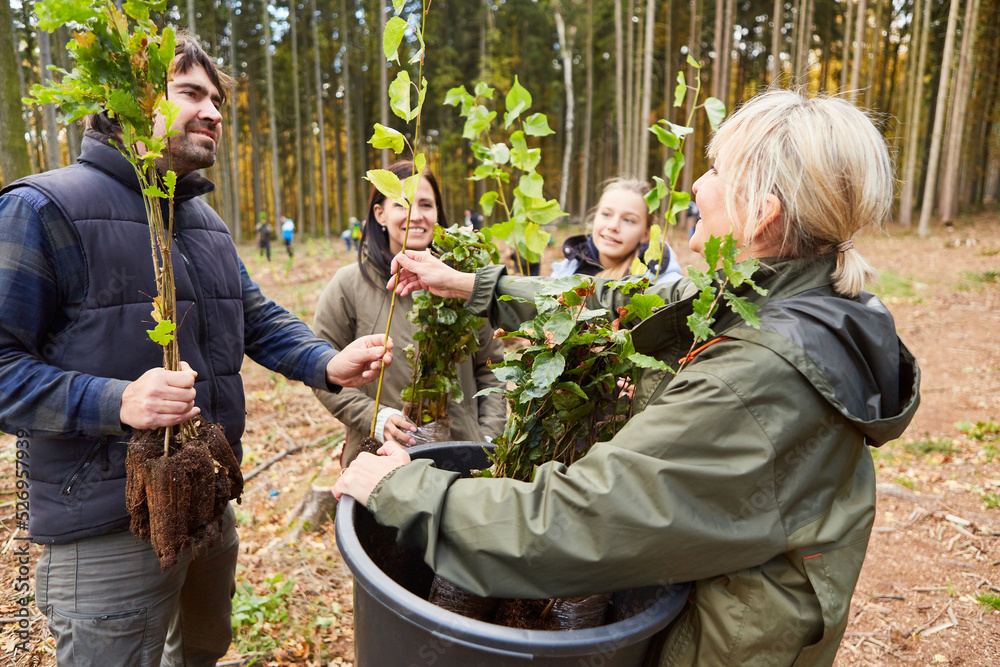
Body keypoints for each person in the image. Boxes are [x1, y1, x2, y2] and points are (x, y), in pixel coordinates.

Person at [334, 91, 921, 665]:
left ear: (762, 211)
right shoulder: (769, 294)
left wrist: (400, 491)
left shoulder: (755, 377)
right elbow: (618, 304)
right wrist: (473, 287)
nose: (697, 185)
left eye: (716, 170)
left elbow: (581, 519)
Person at [0, 33, 393, 667]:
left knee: (203, 648)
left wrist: (324, 361)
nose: (213, 111)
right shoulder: (42, 209)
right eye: (189, 93)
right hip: (104, 525)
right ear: (127, 103)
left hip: (206, 498)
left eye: (216, 99)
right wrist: (118, 399)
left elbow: (256, 316)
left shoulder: (204, 223)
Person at [312, 161, 506, 465]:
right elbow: (322, 370)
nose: (416, 215)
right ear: (380, 214)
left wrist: (487, 437)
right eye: (402, 204)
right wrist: (374, 417)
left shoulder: (465, 282)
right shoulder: (348, 285)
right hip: (380, 461)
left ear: (438, 215)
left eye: (426, 204)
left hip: (462, 459)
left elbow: (490, 367)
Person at [551, 178, 683, 283]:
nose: (613, 226)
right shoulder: (567, 269)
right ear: (594, 217)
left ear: (646, 234)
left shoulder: (660, 284)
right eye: (606, 214)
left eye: (628, 220)